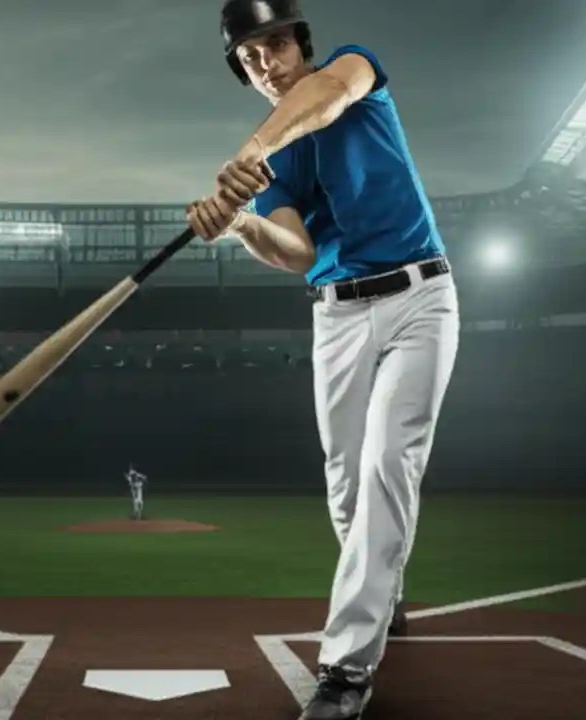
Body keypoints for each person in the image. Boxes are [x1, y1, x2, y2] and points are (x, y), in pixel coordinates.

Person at [186, 2, 459, 718]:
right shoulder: (272, 165)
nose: (266, 63)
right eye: (249, 58)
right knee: (344, 482)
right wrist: (240, 221)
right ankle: (385, 585)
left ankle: (345, 669)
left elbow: (324, 98)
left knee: (386, 463)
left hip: (420, 298)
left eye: (275, 44)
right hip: (336, 314)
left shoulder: (353, 70)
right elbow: (297, 252)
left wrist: (248, 153)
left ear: (300, 44)